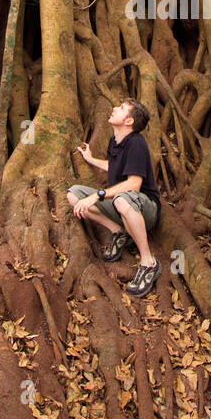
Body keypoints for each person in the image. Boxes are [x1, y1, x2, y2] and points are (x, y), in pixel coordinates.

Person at [66, 99, 162, 296]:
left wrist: (97, 195)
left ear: (128, 121)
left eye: (121, 108)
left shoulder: (137, 143)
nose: (114, 109)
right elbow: (115, 167)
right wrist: (90, 159)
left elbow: (134, 185)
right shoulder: (115, 140)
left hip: (144, 209)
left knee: (121, 199)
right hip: (122, 206)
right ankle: (119, 231)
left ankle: (148, 262)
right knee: (73, 195)